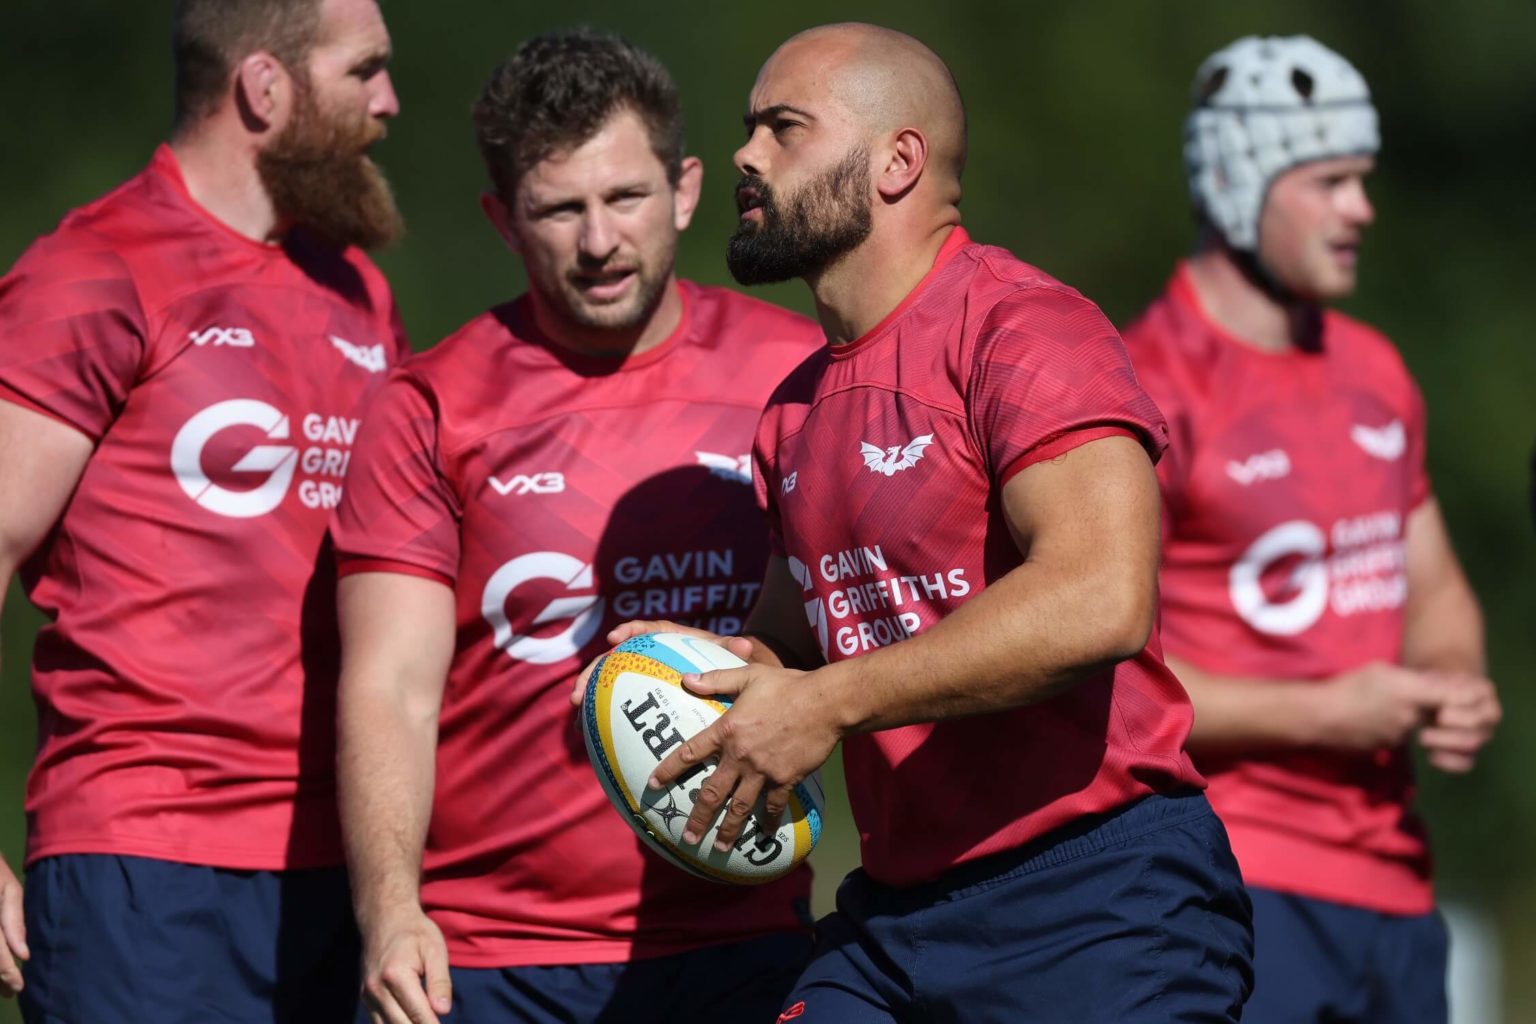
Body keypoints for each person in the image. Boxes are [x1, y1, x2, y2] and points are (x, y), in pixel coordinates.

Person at [608, 21, 1254, 1022]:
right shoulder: (792, 409)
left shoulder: (1029, 331)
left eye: (784, 128)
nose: (745, 155)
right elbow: (792, 644)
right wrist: (695, 673)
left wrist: (825, 703)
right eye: (748, 130)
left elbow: (1100, 599)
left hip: (1097, 899)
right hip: (897, 919)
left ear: (898, 160)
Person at [331, 29, 823, 1024]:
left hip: (752, 936)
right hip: (496, 959)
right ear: (503, 222)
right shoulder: (429, 405)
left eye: (625, 197)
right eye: (559, 209)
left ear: (685, 190)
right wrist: (390, 911)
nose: (599, 241)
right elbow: (390, 689)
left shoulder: (800, 374)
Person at [0, 0, 406, 1020]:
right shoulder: (93, 268)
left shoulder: (358, 289)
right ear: (265, 90)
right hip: (143, 862)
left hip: (337, 869)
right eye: (364, 71)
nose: (389, 103)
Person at [1119, 35, 1501, 1023]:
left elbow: (1436, 585)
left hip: (1397, 885)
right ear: (1241, 179)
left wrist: (1454, 677)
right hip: (1240, 876)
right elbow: (1112, 688)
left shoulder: (1374, 366)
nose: (1360, 210)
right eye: (1331, 181)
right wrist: (1332, 712)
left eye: (1362, 181)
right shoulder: (1143, 389)